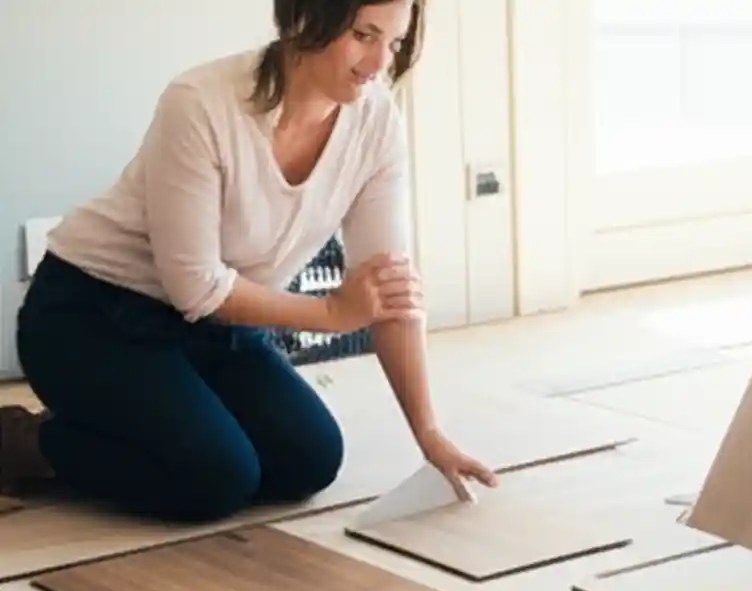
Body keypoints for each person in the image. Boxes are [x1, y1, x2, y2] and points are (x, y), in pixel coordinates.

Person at [0, 0, 498, 522]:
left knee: (309, 460)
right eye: (363, 35)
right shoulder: (200, 102)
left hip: (219, 325)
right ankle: (28, 443)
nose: (378, 64)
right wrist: (330, 313)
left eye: (394, 44)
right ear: (306, 18)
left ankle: (146, 420)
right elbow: (194, 286)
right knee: (214, 478)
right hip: (92, 313)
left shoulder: (377, 124)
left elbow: (389, 290)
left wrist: (429, 434)